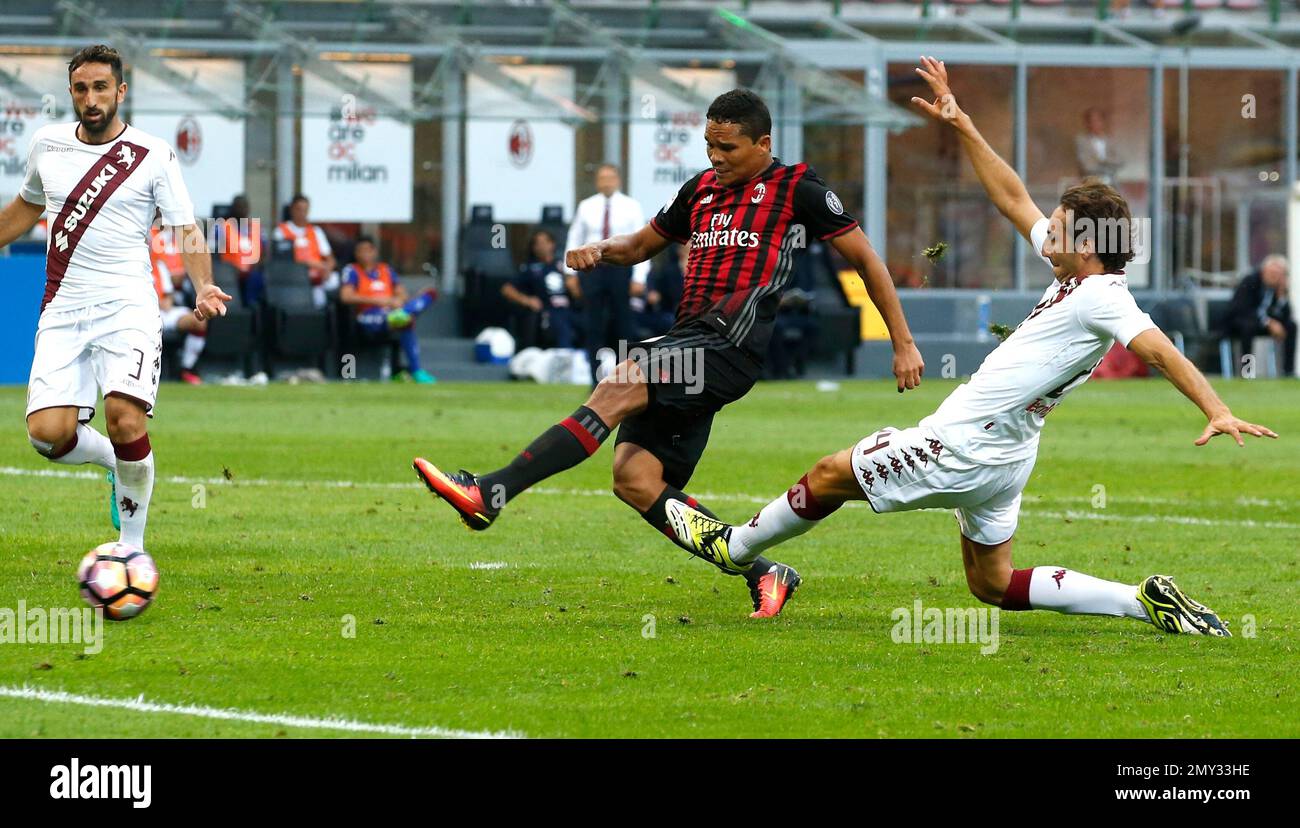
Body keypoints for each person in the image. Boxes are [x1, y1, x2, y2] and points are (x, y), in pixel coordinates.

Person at [671, 57, 1277, 635]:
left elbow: (1160, 352)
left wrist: (1216, 409)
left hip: (966, 444)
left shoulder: (1103, 297)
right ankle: (1143, 602)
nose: (1047, 232)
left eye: (1060, 229)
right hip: (1008, 456)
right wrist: (962, 122)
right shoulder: (1078, 275)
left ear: (1089, 244)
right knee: (992, 585)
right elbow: (1012, 198)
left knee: (831, 473)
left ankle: (737, 546)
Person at [413, 88, 924, 618]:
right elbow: (638, 246)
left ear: (763, 143)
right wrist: (599, 251)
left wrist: (902, 341)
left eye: (727, 146)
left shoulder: (797, 187)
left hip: (730, 344)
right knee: (635, 479)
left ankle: (491, 493)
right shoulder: (699, 189)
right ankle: (764, 572)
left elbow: (866, 259)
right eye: (709, 144)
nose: (715, 157)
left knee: (618, 382)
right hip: (688, 338)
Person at [0, 44, 230, 546]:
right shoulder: (48, 145)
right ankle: (111, 463)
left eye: (101, 87)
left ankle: (131, 550)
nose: (91, 97)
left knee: (125, 419)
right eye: (81, 88)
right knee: (47, 436)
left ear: (120, 91)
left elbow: (186, 228)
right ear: (71, 94)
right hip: (63, 306)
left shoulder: (152, 155)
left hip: (127, 306)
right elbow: (24, 208)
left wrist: (203, 284)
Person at [564, 164, 649, 384]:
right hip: (592, 271)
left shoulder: (631, 206)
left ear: (618, 180)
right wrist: (570, 274)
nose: (606, 182)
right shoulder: (586, 206)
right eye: (602, 178)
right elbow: (574, 238)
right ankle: (595, 380)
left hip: (620, 270)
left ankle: (626, 378)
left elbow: (641, 242)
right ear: (597, 181)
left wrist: (639, 277)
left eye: (610, 177)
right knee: (593, 325)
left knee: (624, 324)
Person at [339, 236, 437, 384]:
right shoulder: (352, 270)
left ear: (375, 252)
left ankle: (402, 314)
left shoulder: (386, 270)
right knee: (406, 320)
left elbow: (402, 293)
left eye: (368, 250)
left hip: (390, 312)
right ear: (356, 253)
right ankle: (416, 370)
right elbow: (346, 296)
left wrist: (397, 301)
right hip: (367, 316)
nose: (364, 254)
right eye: (360, 251)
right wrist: (378, 300)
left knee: (429, 295)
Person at [502, 229, 578, 350]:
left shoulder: (564, 265)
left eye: (544, 242)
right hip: (548, 311)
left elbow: (578, 294)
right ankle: (566, 355)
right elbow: (506, 289)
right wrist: (526, 300)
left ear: (552, 244)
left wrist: (574, 286)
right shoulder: (530, 268)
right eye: (537, 243)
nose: (541, 246)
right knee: (560, 322)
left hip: (570, 309)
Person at [151, 226, 207, 386]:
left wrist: (164, 303)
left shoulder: (159, 266)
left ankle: (186, 368)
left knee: (199, 320)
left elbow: (168, 296)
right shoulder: (130, 267)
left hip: (162, 312)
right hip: (140, 313)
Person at [1226, 254, 1295, 377]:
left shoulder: (1276, 288)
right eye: (1272, 273)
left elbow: (1285, 315)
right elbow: (1243, 310)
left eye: (1278, 274)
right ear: (1264, 271)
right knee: (1248, 327)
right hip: (1238, 322)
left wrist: (1282, 296)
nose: (1275, 277)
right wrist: (1268, 322)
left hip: (1261, 324)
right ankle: (1247, 371)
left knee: (1291, 326)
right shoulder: (1250, 281)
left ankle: (1288, 371)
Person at [273, 193, 337, 308]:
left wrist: (328, 268)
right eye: (299, 209)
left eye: (305, 210)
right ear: (292, 209)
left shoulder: (316, 231)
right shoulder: (281, 231)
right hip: (294, 275)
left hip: (318, 276)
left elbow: (330, 258)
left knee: (333, 281)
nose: (302, 213)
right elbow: (283, 260)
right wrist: (309, 264)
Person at [218, 194, 263, 307]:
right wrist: (232, 267)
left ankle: (251, 306)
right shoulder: (222, 226)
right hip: (229, 269)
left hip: (251, 270)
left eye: (245, 206)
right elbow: (215, 252)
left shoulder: (254, 226)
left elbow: (264, 252)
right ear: (233, 208)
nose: (242, 210)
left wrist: (255, 265)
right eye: (239, 206)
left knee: (258, 277)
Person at [1075, 107, 1121, 183]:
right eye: (1091, 121)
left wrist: (1101, 161)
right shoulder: (1081, 141)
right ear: (1087, 123)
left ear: (1103, 122)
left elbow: (1120, 160)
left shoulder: (1111, 140)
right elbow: (1087, 165)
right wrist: (1108, 164)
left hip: (1111, 182)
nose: (1095, 124)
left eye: (1098, 120)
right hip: (1089, 182)